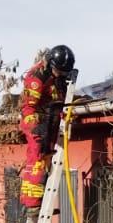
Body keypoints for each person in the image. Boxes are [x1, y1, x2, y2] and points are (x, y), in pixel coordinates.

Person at [17, 45, 75, 208]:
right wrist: (36, 127)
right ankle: (33, 204)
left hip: (52, 121)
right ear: (50, 64)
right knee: (37, 159)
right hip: (36, 123)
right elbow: (28, 107)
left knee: (48, 159)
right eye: (59, 71)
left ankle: (40, 200)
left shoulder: (59, 75)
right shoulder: (37, 77)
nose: (61, 75)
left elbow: (60, 97)